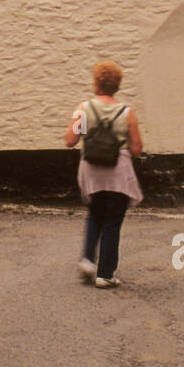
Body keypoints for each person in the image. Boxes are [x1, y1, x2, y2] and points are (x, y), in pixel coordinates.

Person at [63, 60, 144, 288]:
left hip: (91, 171)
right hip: (118, 171)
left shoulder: (83, 108)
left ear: (96, 82)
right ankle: (105, 274)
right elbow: (137, 148)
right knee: (112, 222)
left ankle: (88, 260)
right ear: (117, 85)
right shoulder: (127, 113)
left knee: (94, 215)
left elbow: (70, 141)